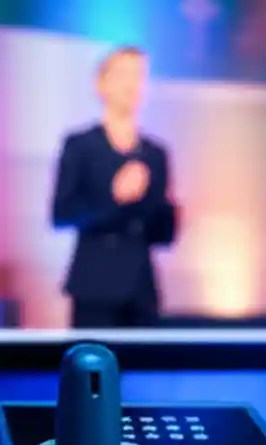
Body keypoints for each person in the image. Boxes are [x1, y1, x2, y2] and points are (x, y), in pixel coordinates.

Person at [51, 47, 177, 328]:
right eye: (122, 75)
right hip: (95, 287)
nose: (132, 85)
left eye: (139, 76)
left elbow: (162, 236)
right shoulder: (80, 145)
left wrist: (170, 213)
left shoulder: (155, 153)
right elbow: (61, 215)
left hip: (141, 289)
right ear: (101, 84)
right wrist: (115, 197)